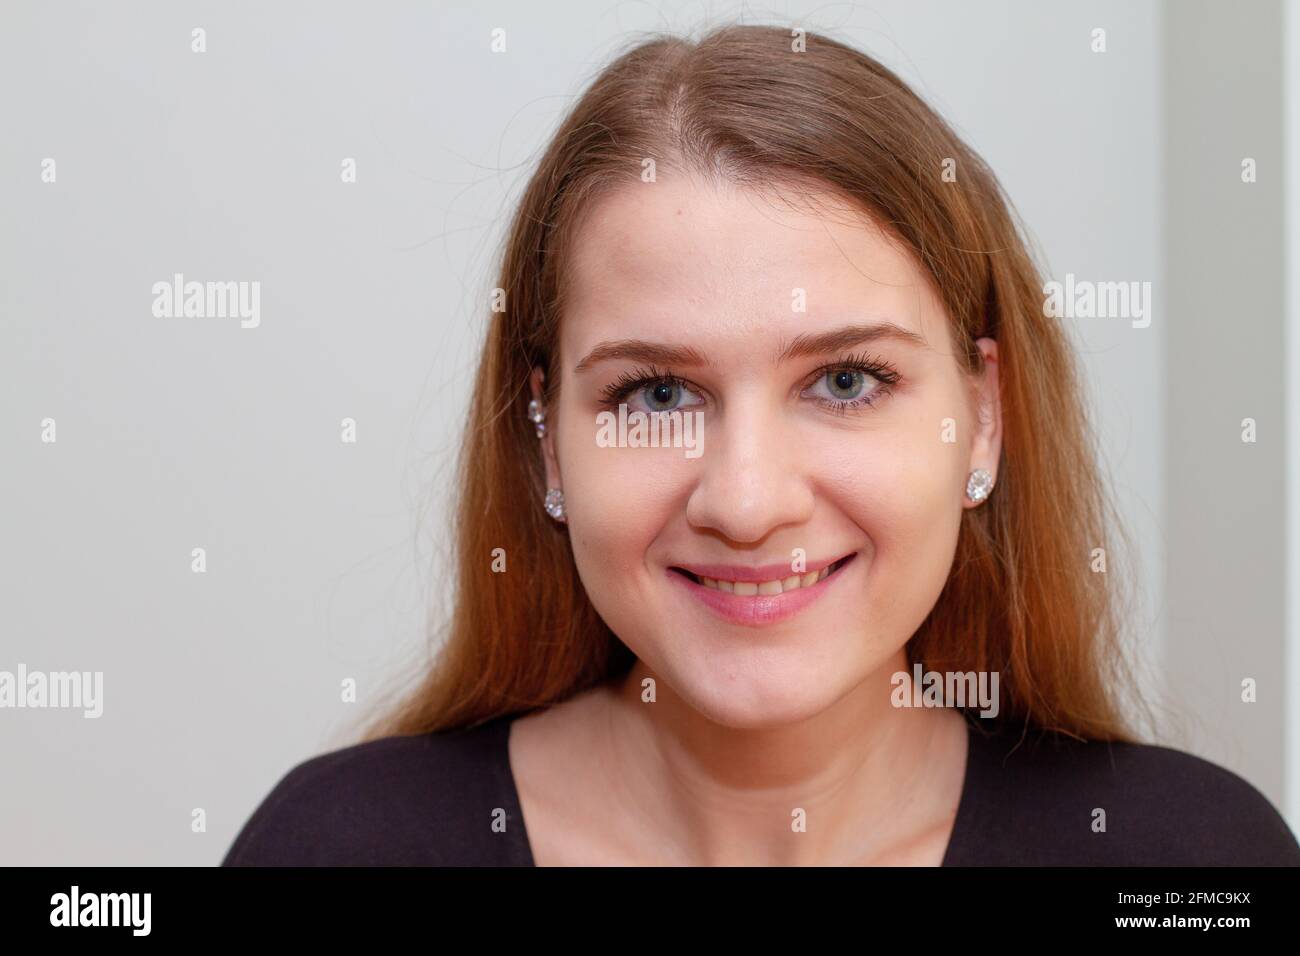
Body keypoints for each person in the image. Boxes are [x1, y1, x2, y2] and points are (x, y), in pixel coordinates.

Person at [222, 23, 1300, 866]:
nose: (745, 499)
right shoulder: (337, 850)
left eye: (844, 380)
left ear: (981, 414)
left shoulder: (1189, 859)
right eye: (654, 392)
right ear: (547, 440)